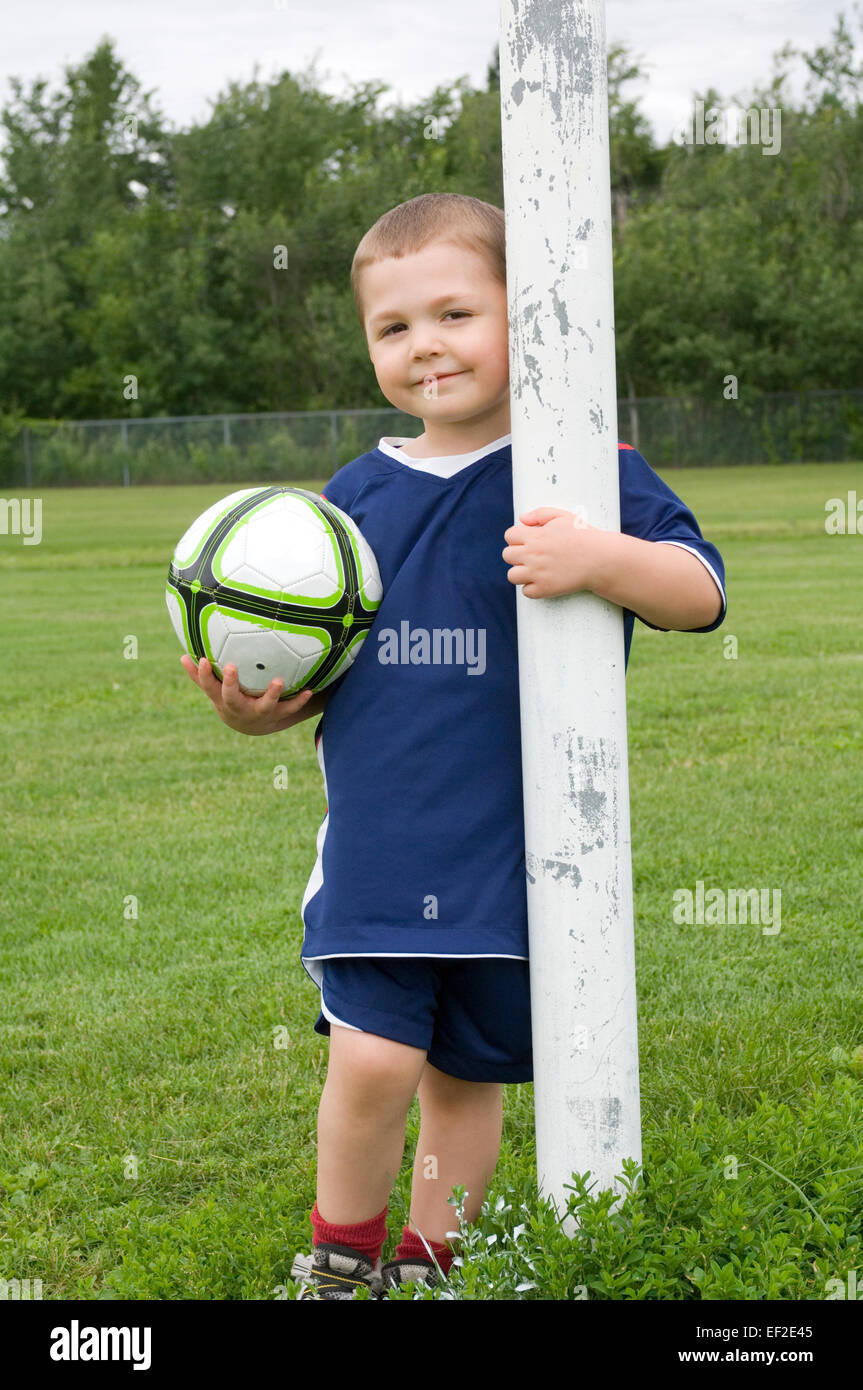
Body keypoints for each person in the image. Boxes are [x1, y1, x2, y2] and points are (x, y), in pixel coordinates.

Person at [181, 192, 727, 1300]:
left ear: (523, 317)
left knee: (465, 1079)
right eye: (393, 327)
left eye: (453, 314)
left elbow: (700, 593)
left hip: (517, 861)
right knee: (375, 1054)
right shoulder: (349, 503)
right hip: (385, 847)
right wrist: (255, 708)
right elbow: (307, 663)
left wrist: (595, 559)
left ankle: (434, 1270)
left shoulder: (580, 469)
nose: (424, 344)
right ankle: (340, 1259)